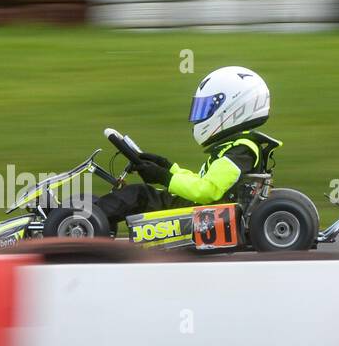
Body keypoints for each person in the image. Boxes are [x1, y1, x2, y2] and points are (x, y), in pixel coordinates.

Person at [94, 66, 273, 227]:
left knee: (138, 195)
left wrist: (164, 178)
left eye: (207, 108)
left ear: (234, 108)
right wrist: (167, 167)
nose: (200, 116)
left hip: (205, 216)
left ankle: (83, 222)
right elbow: (204, 182)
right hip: (203, 208)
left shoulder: (239, 151)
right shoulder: (237, 147)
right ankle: (89, 215)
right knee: (137, 194)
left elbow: (207, 191)